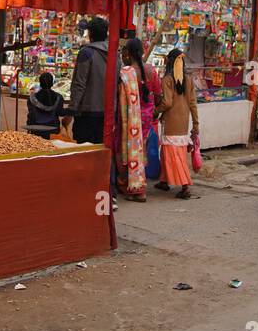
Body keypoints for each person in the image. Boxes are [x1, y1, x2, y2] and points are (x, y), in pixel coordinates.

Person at [116, 38, 160, 202]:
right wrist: (154, 113)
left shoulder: (126, 72)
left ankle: (130, 185)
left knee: (125, 150)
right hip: (147, 118)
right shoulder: (151, 70)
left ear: (127, 53)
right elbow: (158, 94)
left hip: (129, 118)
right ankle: (139, 184)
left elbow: (119, 97)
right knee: (140, 153)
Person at [155, 48, 198, 200]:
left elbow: (166, 103)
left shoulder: (167, 79)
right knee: (176, 154)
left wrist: (156, 111)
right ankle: (164, 180)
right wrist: (196, 125)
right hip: (184, 122)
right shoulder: (189, 79)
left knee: (171, 155)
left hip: (171, 123)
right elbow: (193, 103)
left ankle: (185, 186)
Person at [64, 16, 110, 145]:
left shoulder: (86, 53)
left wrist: (70, 112)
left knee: (84, 152)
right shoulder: (115, 54)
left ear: (90, 33)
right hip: (107, 114)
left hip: (87, 114)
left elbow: (79, 84)